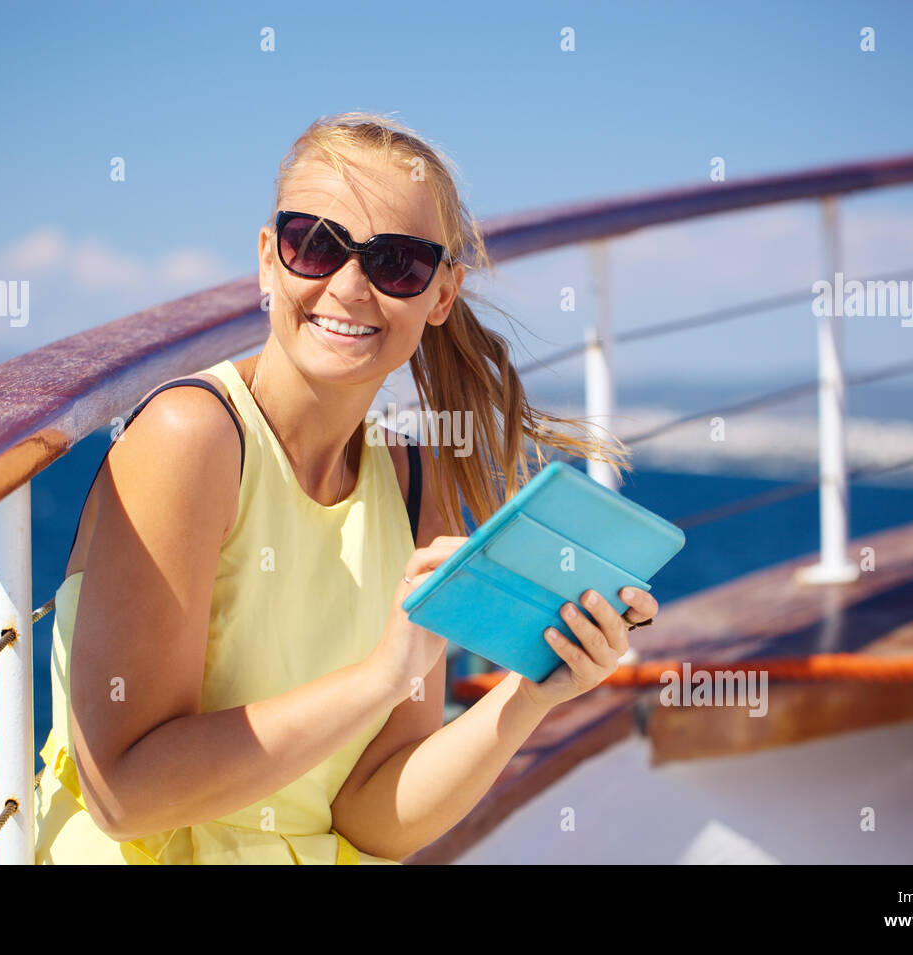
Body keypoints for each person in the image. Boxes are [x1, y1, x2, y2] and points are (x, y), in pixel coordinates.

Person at [33, 111, 658, 864]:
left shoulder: (415, 481)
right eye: (316, 244)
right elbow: (123, 795)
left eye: (397, 263)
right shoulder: (192, 437)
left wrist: (533, 693)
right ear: (269, 259)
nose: (351, 286)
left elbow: (372, 814)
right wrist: (378, 679)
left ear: (441, 296)